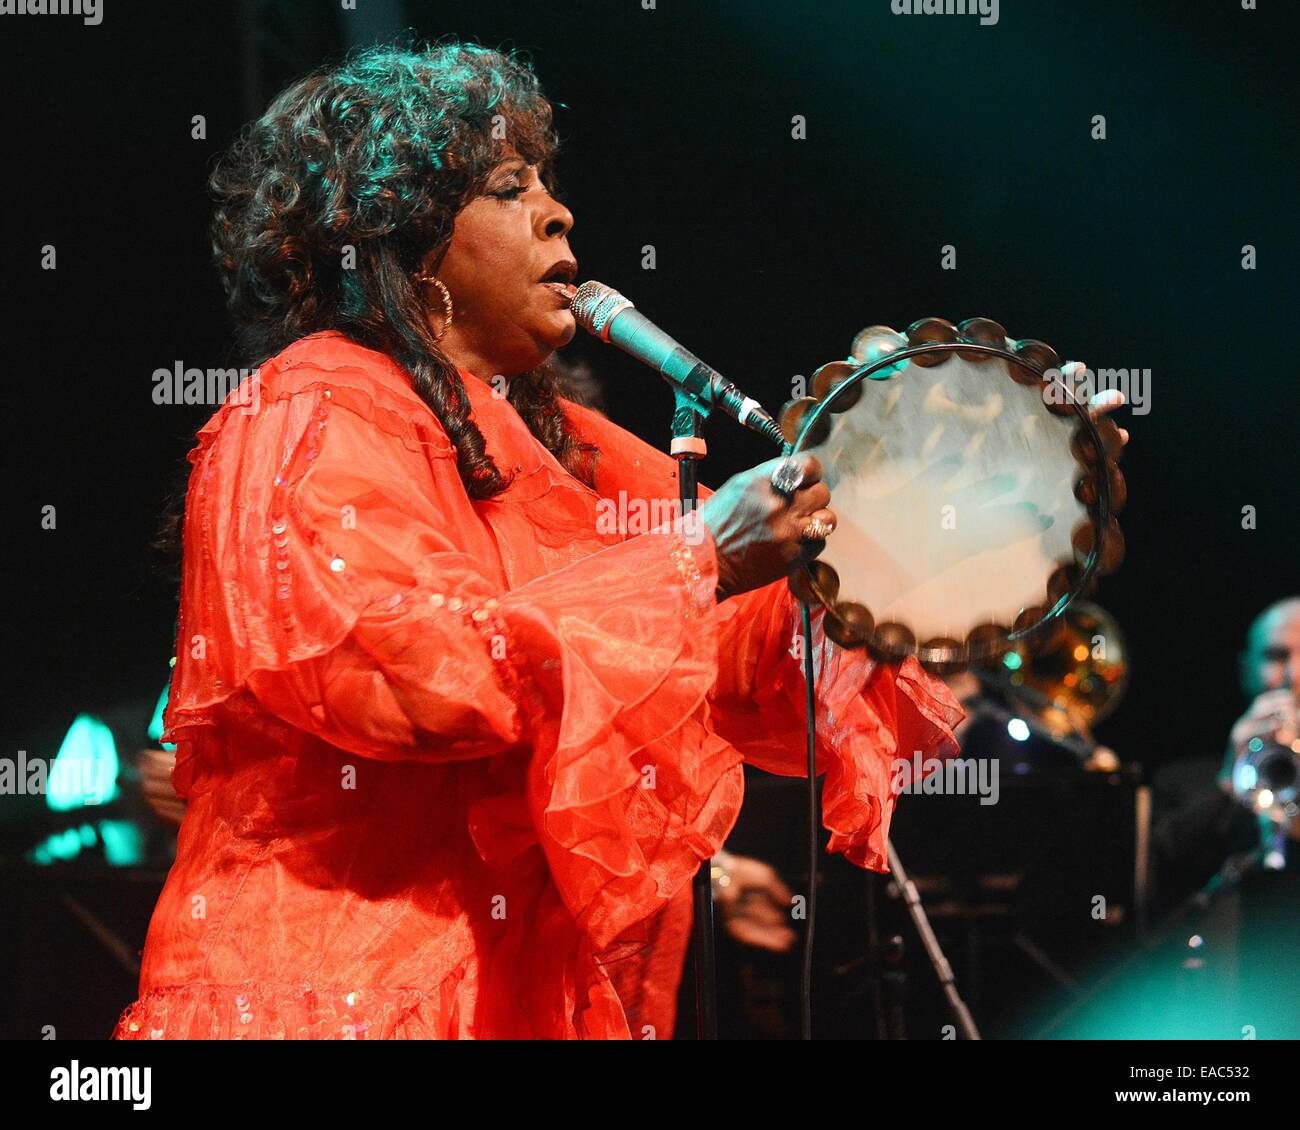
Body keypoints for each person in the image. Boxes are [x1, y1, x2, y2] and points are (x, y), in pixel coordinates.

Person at [111, 42, 966, 1040]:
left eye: (548, 183)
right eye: (509, 187)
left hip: (521, 999)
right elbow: (405, 681)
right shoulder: (308, 408)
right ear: (404, 230)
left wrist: (939, 503)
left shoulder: (569, 446)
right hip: (335, 993)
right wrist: (702, 555)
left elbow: (734, 668)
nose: (557, 212)